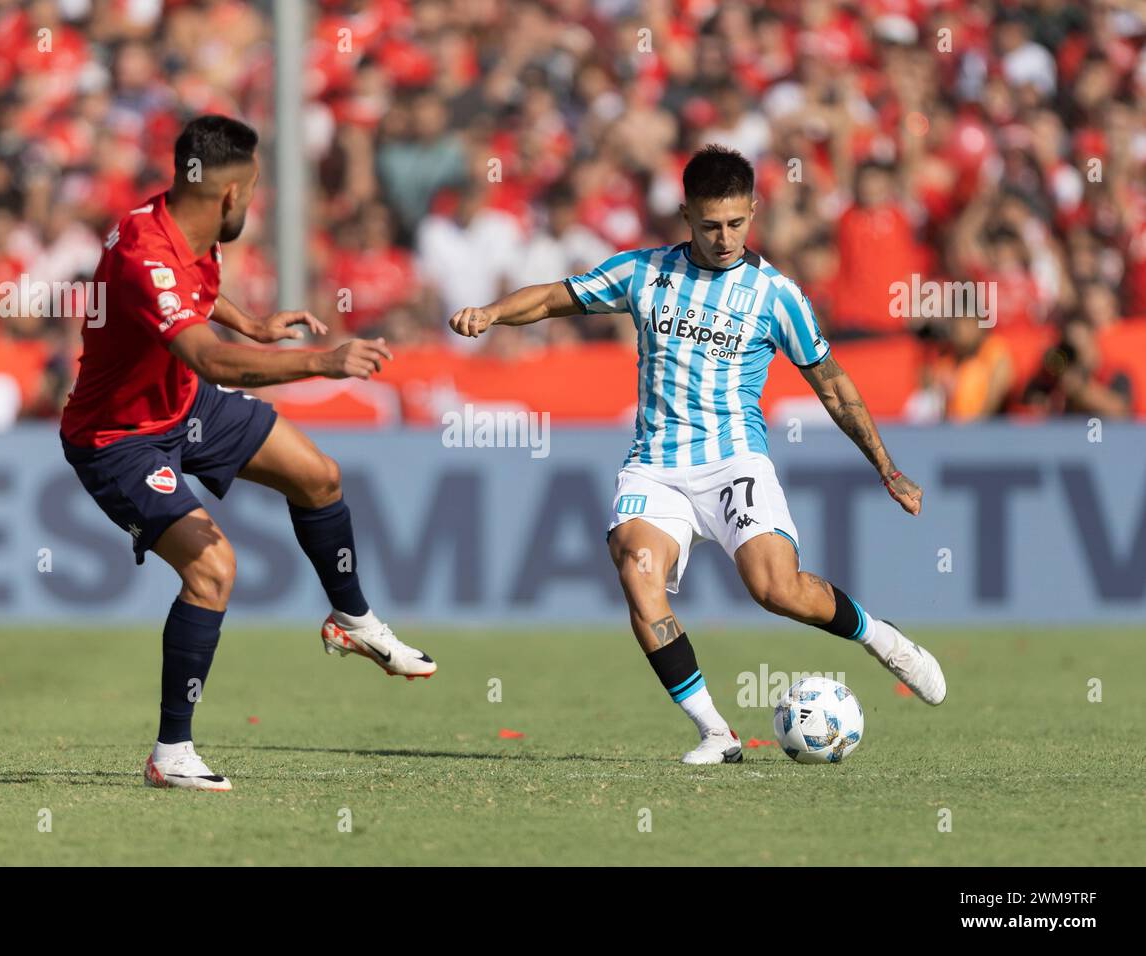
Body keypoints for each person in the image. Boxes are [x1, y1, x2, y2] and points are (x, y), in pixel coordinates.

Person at [448, 144, 946, 765]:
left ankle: (883, 640)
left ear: (753, 211)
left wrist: (886, 467)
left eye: (737, 223)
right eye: (710, 225)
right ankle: (716, 730)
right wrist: (492, 313)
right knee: (637, 569)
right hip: (655, 465)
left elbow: (834, 387)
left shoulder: (774, 295)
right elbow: (555, 297)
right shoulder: (645, 273)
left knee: (776, 588)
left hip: (734, 459)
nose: (725, 237)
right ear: (686, 215)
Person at [59, 115, 436, 792]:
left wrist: (253, 323)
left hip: (186, 405)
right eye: (253, 188)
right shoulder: (144, 251)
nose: (253, 199)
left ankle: (352, 620)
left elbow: (197, 299)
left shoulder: (183, 219)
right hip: (121, 438)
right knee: (212, 572)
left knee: (317, 475)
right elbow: (203, 351)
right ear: (230, 195)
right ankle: (171, 752)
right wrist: (321, 361)